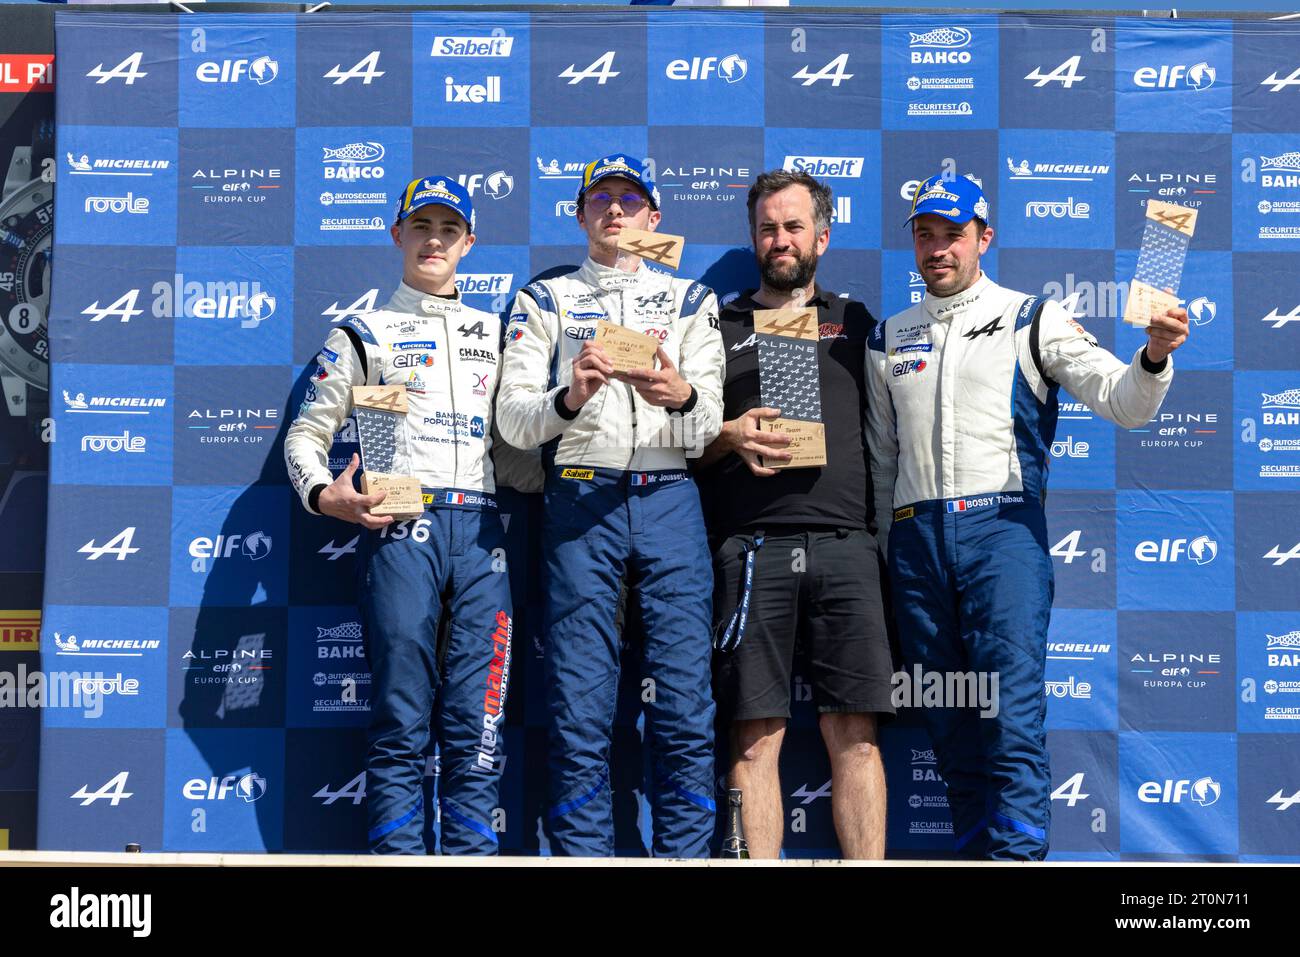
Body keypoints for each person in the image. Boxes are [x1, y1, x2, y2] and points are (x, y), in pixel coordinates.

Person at [865, 173, 1190, 860]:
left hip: (1001, 535)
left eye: (952, 234)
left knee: (1009, 719)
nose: (937, 248)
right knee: (950, 728)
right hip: (916, 541)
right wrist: (888, 549)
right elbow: (880, 459)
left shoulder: (1030, 317)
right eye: (925, 234)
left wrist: (1155, 353)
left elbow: (1122, 400)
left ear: (984, 237)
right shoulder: (888, 336)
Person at [285, 175, 523, 854]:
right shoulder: (364, 332)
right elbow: (306, 435)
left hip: (482, 536)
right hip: (400, 529)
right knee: (399, 722)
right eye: (421, 226)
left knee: (479, 729)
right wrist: (324, 493)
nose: (434, 239)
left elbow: (528, 426)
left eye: (449, 229)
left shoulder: (497, 332)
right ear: (398, 235)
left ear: (469, 243)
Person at [495, 154, 724, 857]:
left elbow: (708, 422)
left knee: (686, 705)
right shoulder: (545, 298)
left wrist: (678, 397)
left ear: (655, 216)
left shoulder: (690, 299)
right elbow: (513, 422)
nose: (615, 210)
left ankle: (684, 862)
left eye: (630, 199)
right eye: (601, 199)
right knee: (579, 707)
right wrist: (571, 396)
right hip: (580, 497)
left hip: (669, 497)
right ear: (580, 214)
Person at [694, 169, 894, 859]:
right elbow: (679, 440)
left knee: (857, 736)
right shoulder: (714, 325)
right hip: (752, 549)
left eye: (793, 226)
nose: (781, 240)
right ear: (754, 238)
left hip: (847, 545)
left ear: (823, 236)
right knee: (754, 738)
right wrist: (728, 434)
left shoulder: (859, 323)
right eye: (768, 228)